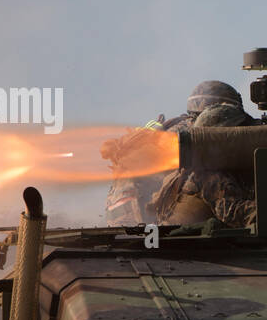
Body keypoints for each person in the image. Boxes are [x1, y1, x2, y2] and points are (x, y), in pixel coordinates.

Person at [103, 80, 251, 226]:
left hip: (123, 217)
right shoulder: (190, 138)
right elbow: (228, 206)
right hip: (141, 222)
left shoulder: (170, 129)